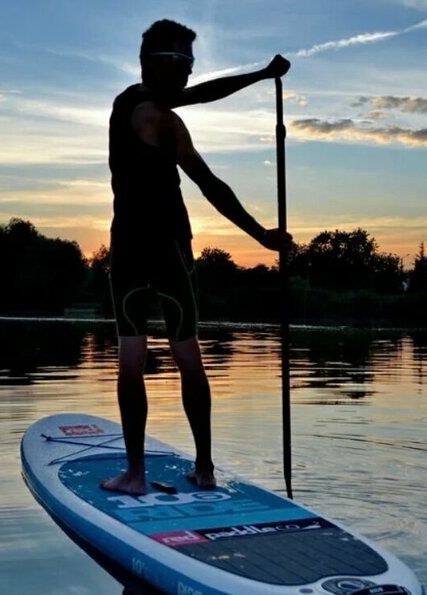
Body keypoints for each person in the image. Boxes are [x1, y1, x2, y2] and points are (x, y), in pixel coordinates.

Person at [102, 19, 292, 495]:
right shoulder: (155, 117)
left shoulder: (144, 110)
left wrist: (260, 75)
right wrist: (262, 236)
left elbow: (203, 104)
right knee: (168, 359)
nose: (189, 74)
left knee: (147, 359)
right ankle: (194, 471)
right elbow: (210, 180)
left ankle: (141, 475)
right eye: (183, 63)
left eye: (192, 65)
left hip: (139, 248)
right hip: (163, 249)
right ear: (154, 64)